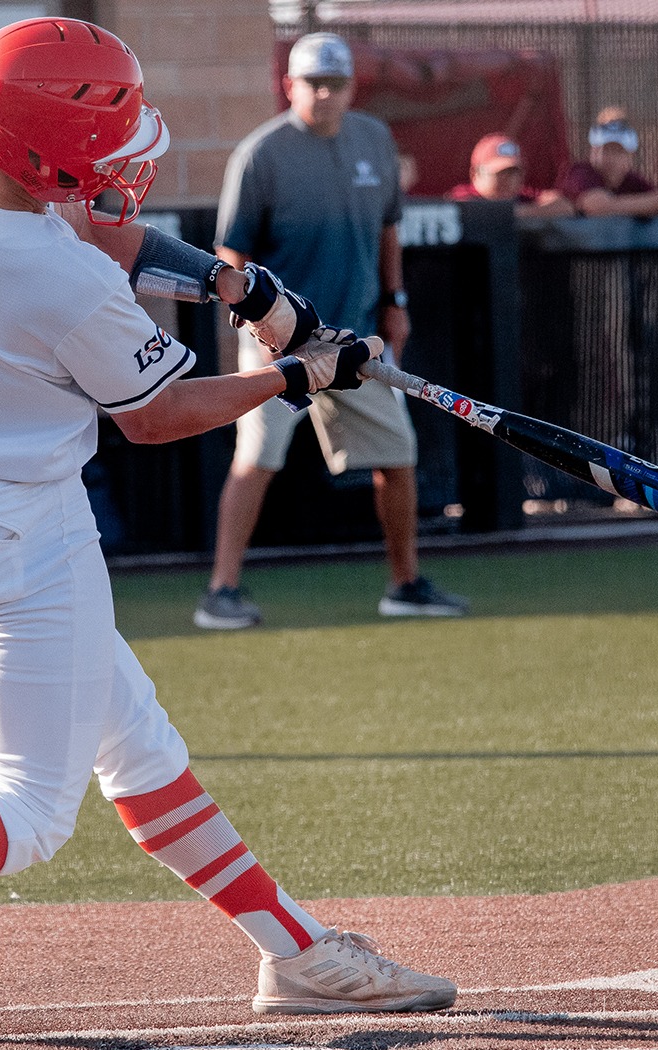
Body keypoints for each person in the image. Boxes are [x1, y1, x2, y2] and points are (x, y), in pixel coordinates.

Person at [0, 17, 455, 1045]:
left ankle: (298, 952)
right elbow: (160, 413)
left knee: (138, 742)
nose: (123, 155)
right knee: (28, 812)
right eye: (99, 139)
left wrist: (237, 286)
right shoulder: (63, 283)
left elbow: (90, 227)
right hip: (20, 536)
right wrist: (298, 374)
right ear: (50, 151)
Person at [194, 31, 469, 631]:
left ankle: (405, 585)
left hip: (355, 340)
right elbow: (230, 254)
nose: (326, 94)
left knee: (398, 458)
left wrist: (396, 299)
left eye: (337, 83)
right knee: (256, 458)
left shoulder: (373, 138)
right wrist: (262, 321)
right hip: (279, 339)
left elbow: (389, 229)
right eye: (314, 83)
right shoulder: (261, 154)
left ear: (351, 88)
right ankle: (221, 591)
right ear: (289, 86)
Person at [555, 108, 658, 218]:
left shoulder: (632, 181)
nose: (608, 158)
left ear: (630, 158)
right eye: (603, 150)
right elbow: (599, 207)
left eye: (617, 151)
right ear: (592, 152)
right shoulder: (581, 172)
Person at [448, 132, 573, 218]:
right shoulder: (463, 196)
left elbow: (564, 206)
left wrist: (520, 212)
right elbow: (474, 213)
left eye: (513, 172)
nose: (507, 180)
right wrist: (514, 213)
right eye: (499, 173)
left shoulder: (522, 197)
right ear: (475, 174)